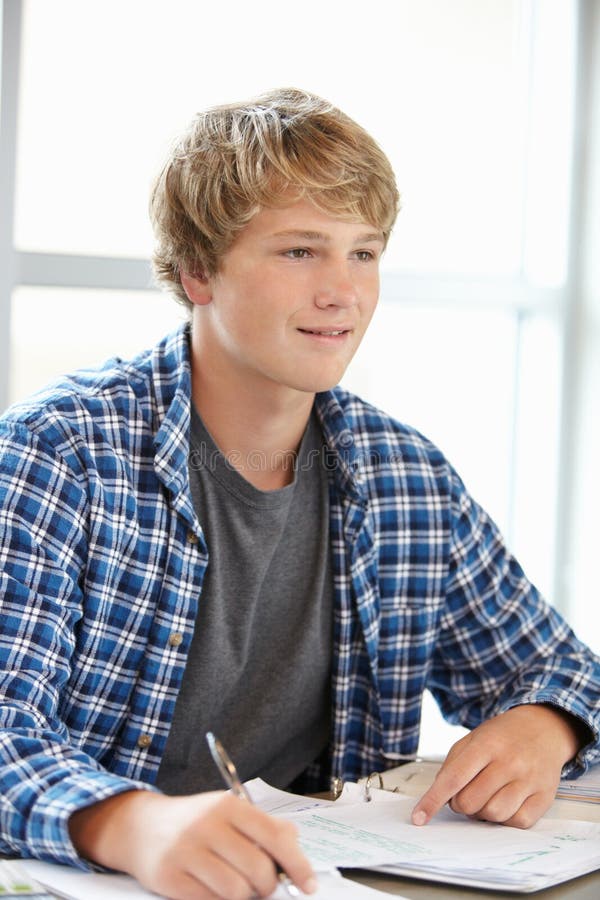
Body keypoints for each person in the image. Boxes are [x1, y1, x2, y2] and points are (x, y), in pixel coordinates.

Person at [0, 87, 599, 900]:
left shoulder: (404, 477)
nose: (343, 293)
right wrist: (129, 823)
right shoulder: (58, 457)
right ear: (196, 270)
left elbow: (560, 669)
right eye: (299, 252)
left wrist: (548, 724)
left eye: (364, 253)